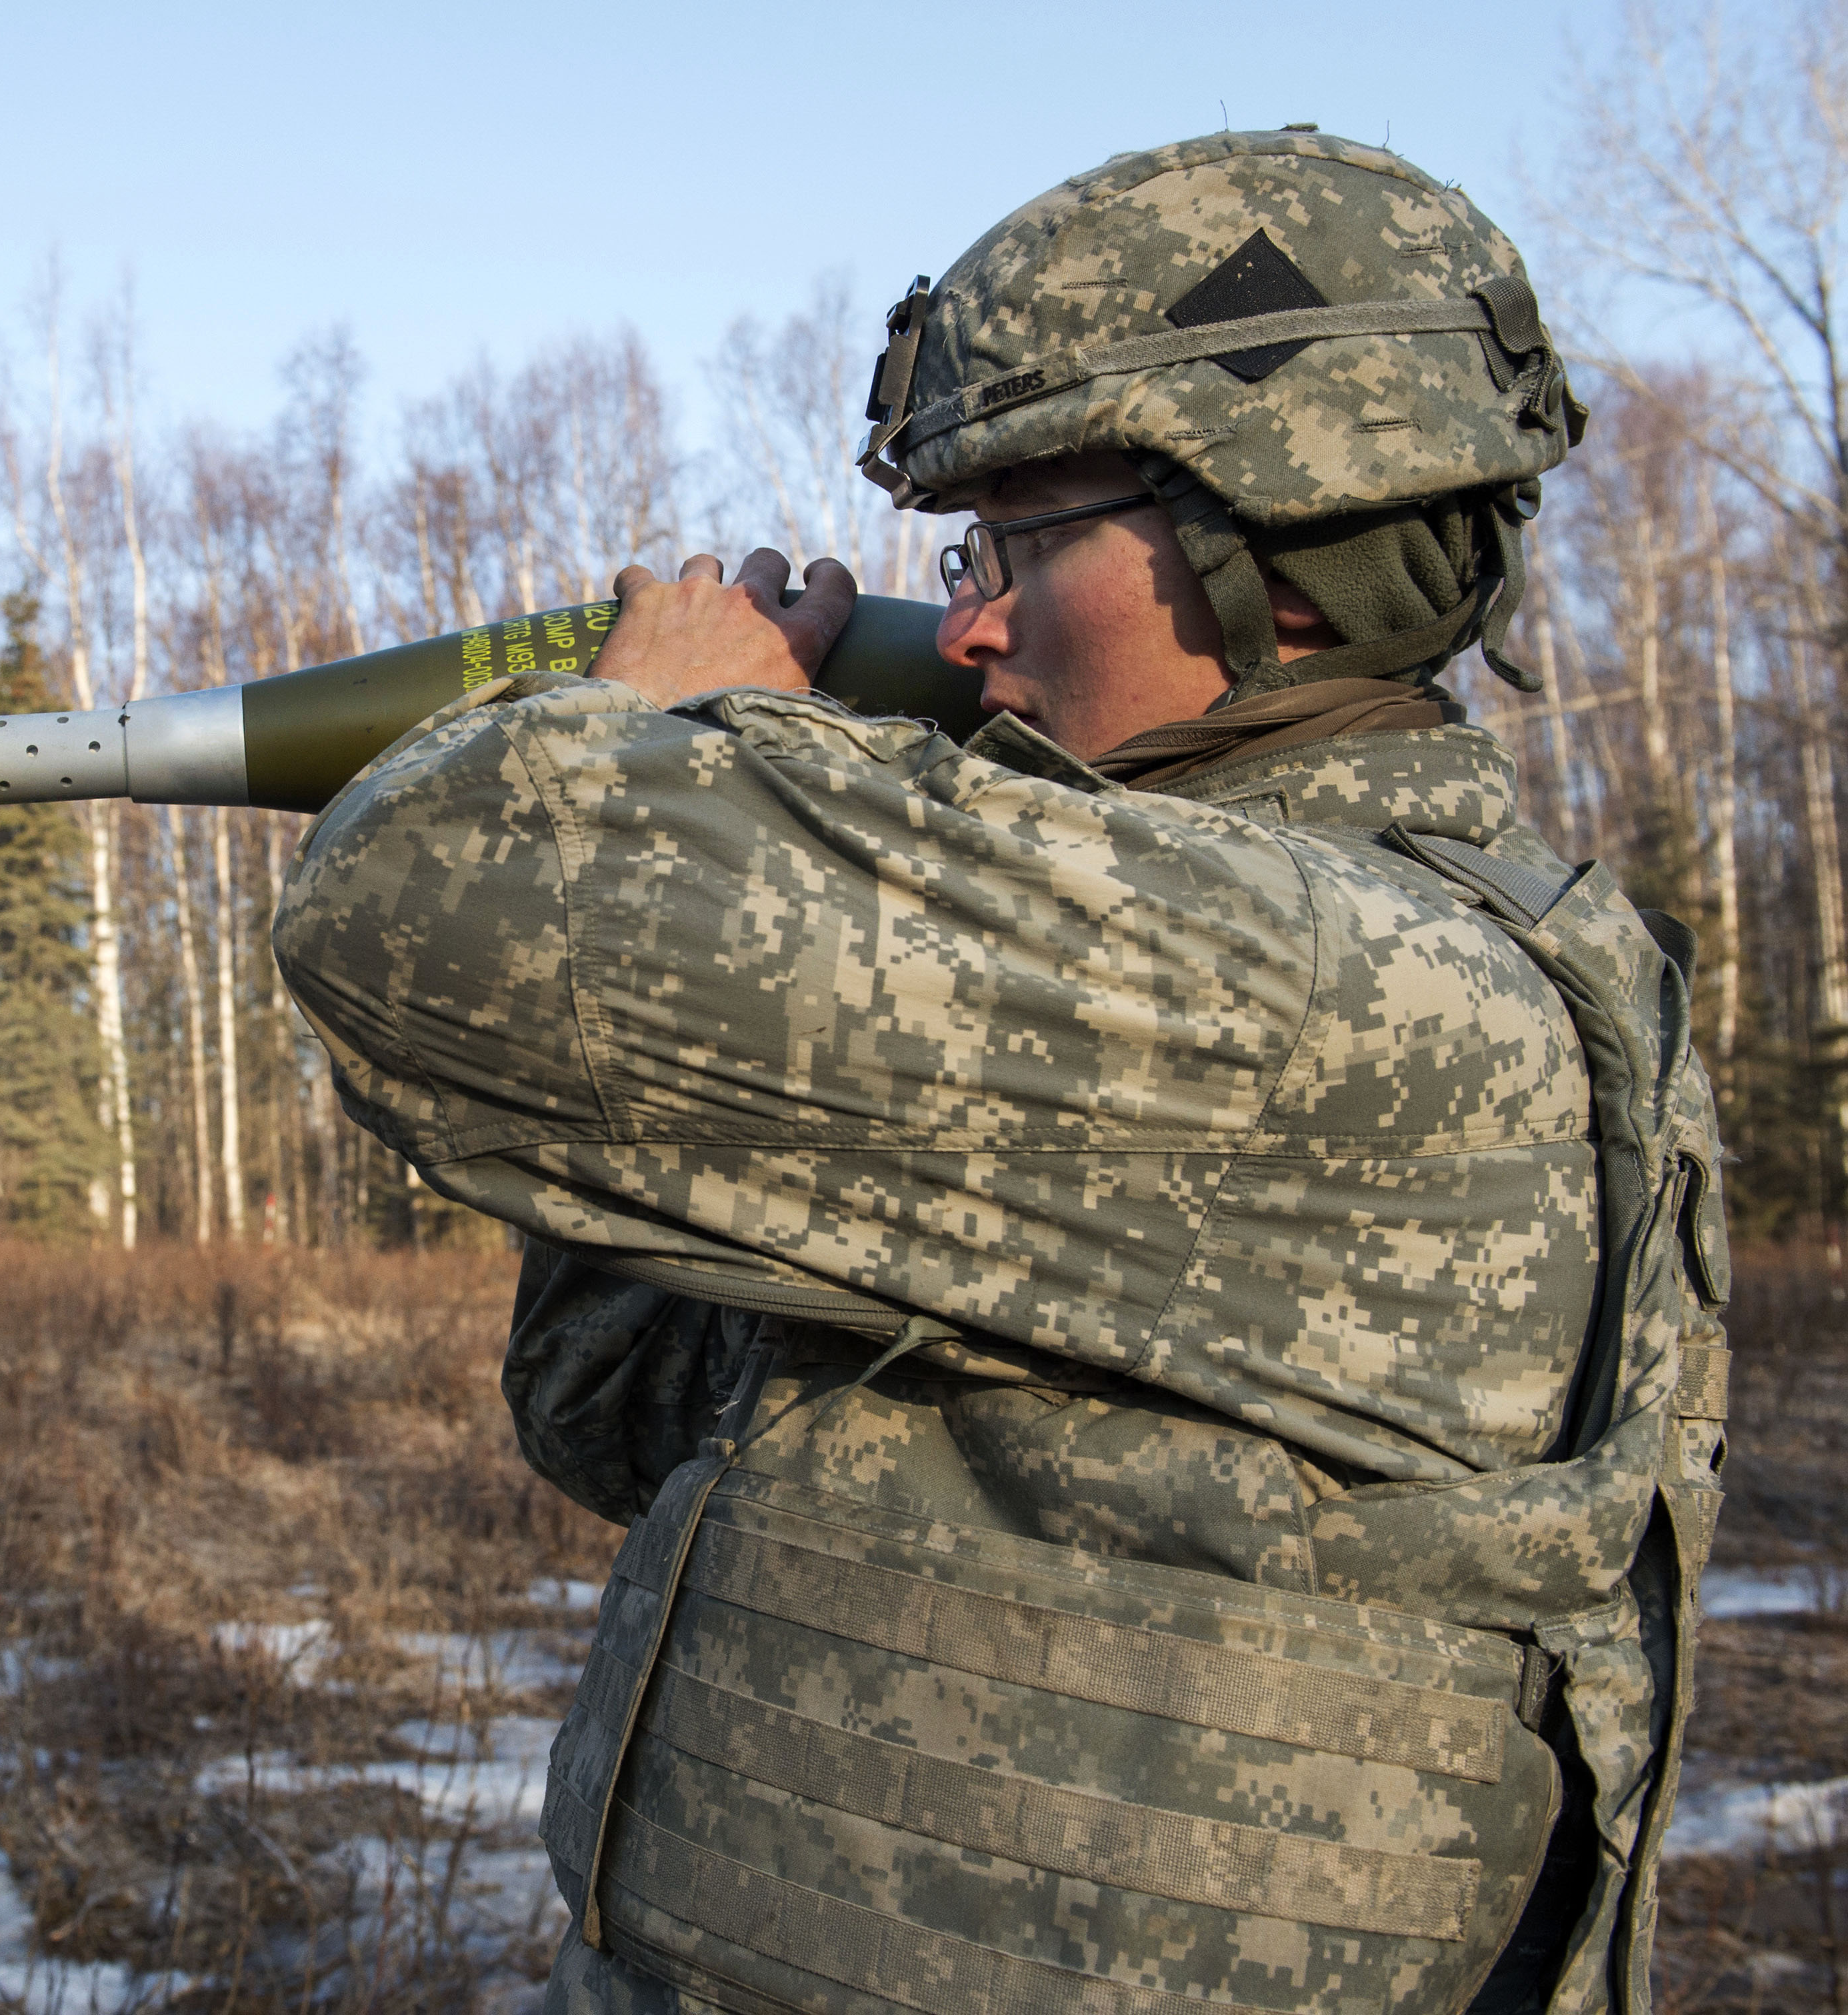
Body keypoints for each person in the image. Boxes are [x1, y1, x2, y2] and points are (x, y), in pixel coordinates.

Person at [271, 129, 1730, 2015]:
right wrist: (673, 1073)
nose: (962, 625)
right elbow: (616, 1419)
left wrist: (673, 734)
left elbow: (410, 897)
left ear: (1277, 554)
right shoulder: (1285, 941)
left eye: (1019, 544)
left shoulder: (1308, 977)